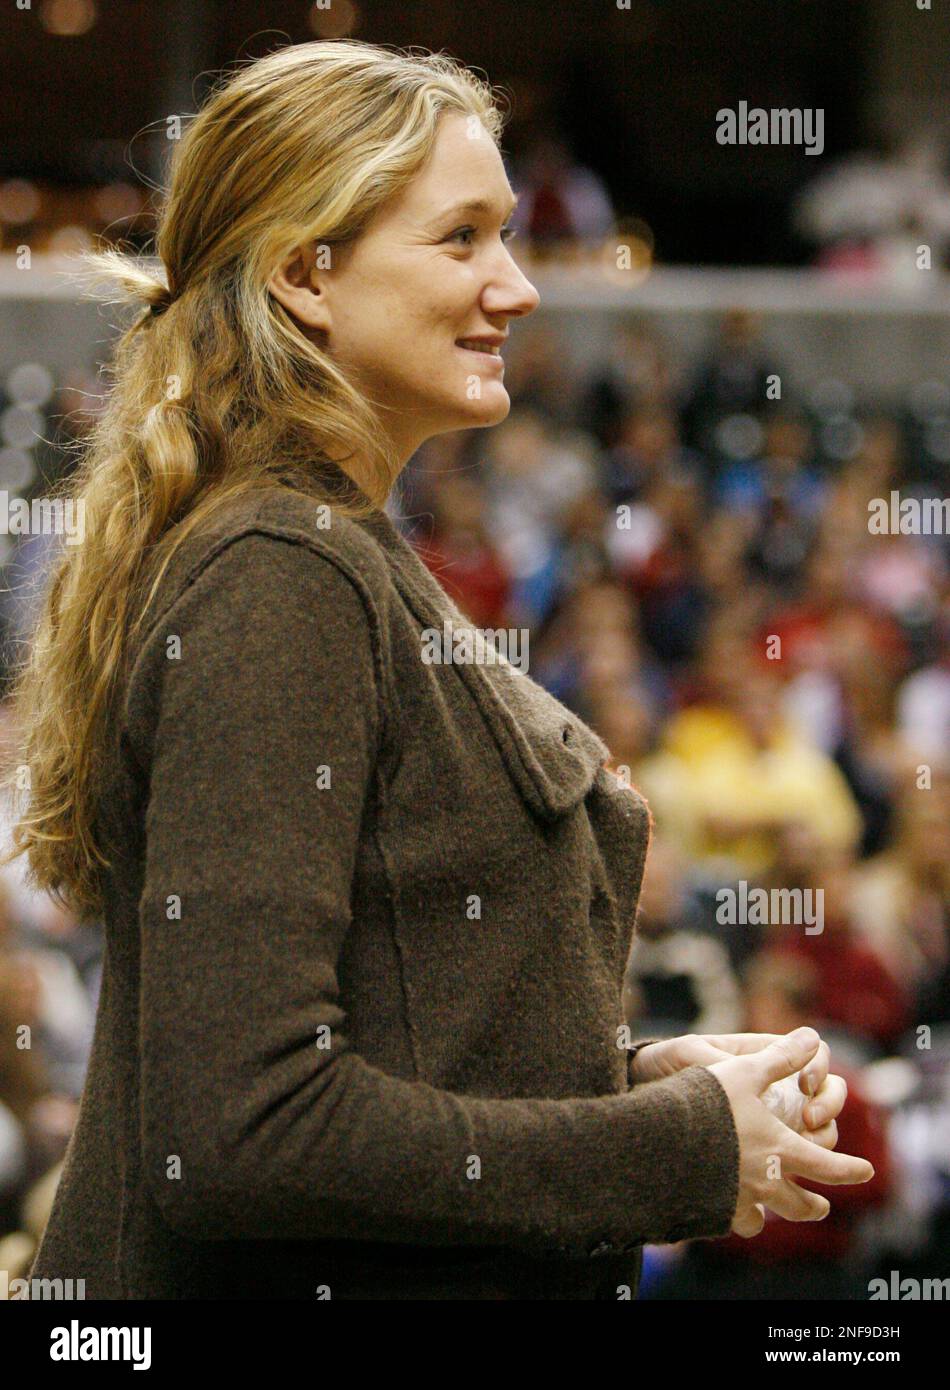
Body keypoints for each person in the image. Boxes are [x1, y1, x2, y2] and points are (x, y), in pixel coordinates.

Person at [1, 39, 871, 1301]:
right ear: (308, 273)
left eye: (506, 234)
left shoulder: (317, 552)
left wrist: (632, 1094)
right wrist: (662, 1148)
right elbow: (242, 1130)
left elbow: (391, 1039)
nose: (515, 287)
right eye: (460, 238)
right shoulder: (280, 572)